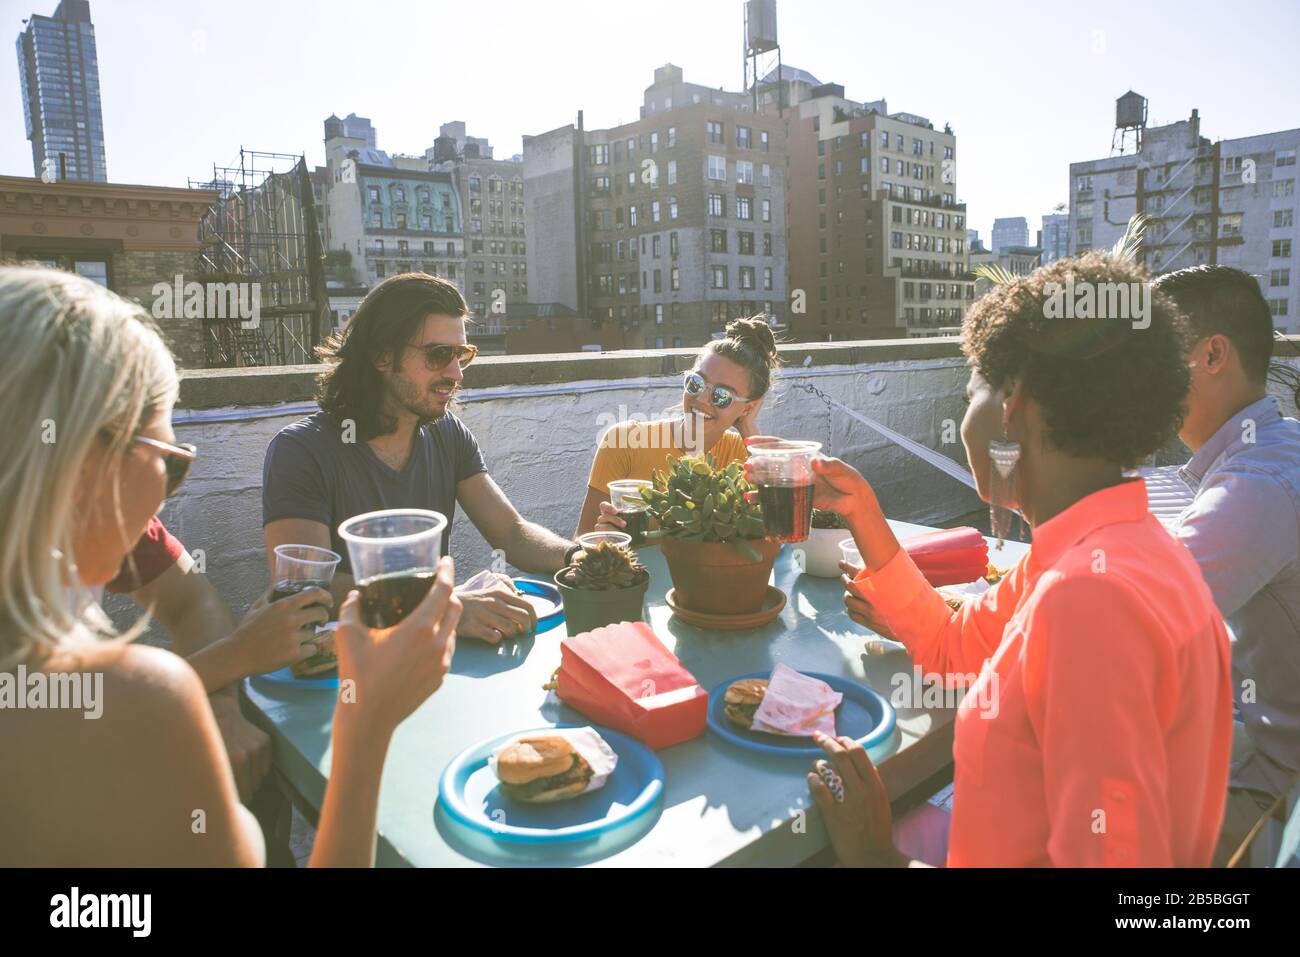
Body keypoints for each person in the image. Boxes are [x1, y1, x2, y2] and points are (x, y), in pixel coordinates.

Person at [0, 265, 461, 866]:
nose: (162, 500)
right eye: (171, 464)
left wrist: (214, 700)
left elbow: (191, 602)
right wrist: (366, 720)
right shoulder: (136, 701)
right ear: (86, 464)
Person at [783, 253, 1234, 867]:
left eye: (972, 386)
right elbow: (951, 648)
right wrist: (865, 512)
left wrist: (875, 858)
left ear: (1013, 398)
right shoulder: (1098, 551)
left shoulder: (1091, 600)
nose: (965, 408)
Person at [262, 273, 575, 645]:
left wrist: (577, 555)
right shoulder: (302, 451)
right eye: (439, 354)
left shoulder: (447, 435)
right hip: (348, 670)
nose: (455, 373)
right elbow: (310, 587)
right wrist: (445, 606)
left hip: (427, 655)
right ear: (382, 355)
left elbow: (512, 534)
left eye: (461, 355)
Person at [1154, 264, 1300, 865]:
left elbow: (1126, 626)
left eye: (1152, 358)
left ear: (1213, 354)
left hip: (1276, 785)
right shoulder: (1279, 441)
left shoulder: (1254, 487)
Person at [106, 515, 333, 864]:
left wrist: (219, 706)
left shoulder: (114, 505)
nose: (160, 502)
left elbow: (194, 605)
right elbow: (60, 726)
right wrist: (236, 655)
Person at [577, 316, 779, 537]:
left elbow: (777, 528)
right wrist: (602, 537)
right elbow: (580, 541)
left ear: (747, 409)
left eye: (722, 396)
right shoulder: (625, 441)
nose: (701, 398)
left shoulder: (742, 455)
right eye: (696, 383)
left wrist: (748, 430)